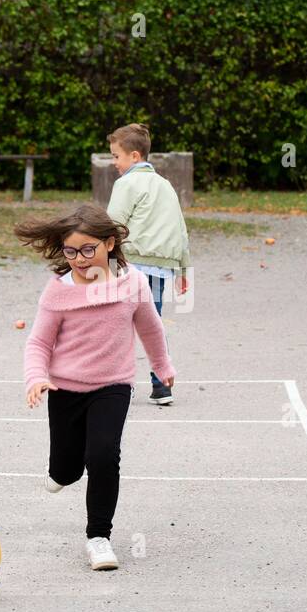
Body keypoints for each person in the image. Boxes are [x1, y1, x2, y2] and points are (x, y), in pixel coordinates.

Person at [17, 204, 175, 570]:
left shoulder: (131, 283)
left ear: (109, 243)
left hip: (112, 386)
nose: (80, 259)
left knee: (103, 456)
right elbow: (39, 343)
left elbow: (150, 328)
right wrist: (36, 377)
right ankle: (60, 473)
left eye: (88, 249)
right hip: (65, 389)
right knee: (68, 469)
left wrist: (162, 365)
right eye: (71, 252)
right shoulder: (59, 292)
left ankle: (98, 537)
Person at [105, 122, 190, 404]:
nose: (114, 162)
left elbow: (113, 226)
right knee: (152, 324)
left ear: (135, 157)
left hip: (132, 265)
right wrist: (183, 268)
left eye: (116, 156)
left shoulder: (126, 183)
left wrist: (103, 262)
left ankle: (118, 382)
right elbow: (180, 228)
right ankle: (162, 384)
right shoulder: (165, 185)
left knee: (119, 322)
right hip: (160, 267)